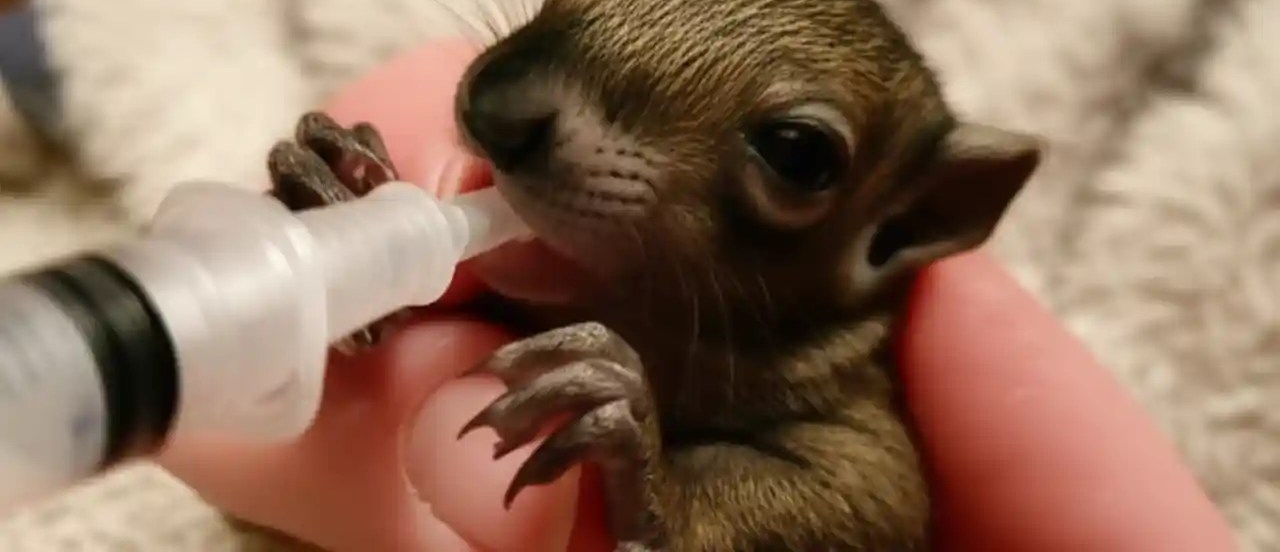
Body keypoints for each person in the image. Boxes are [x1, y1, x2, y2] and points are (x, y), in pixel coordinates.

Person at [157, 41, 1236, 552]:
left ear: (910, 221)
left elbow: (862, 501)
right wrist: (342, 266)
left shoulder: (837, 386)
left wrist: (666, 491)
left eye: (791, 157)